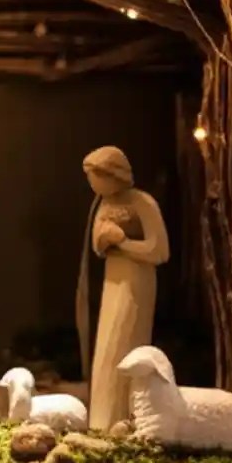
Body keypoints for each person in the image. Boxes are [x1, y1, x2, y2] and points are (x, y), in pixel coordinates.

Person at [76, 146, 169, 430]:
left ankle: (127, 418)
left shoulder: (142, 202)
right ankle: (103, 419)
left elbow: (159, 250)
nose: (92, 184)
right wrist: (105, 240)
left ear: (112, 174)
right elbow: (97, 245)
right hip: (112, 279)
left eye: (95, 177)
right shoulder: (102, 203)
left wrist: (122, 242)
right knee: (106, 347)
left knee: (128, 340)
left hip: (136, 280)